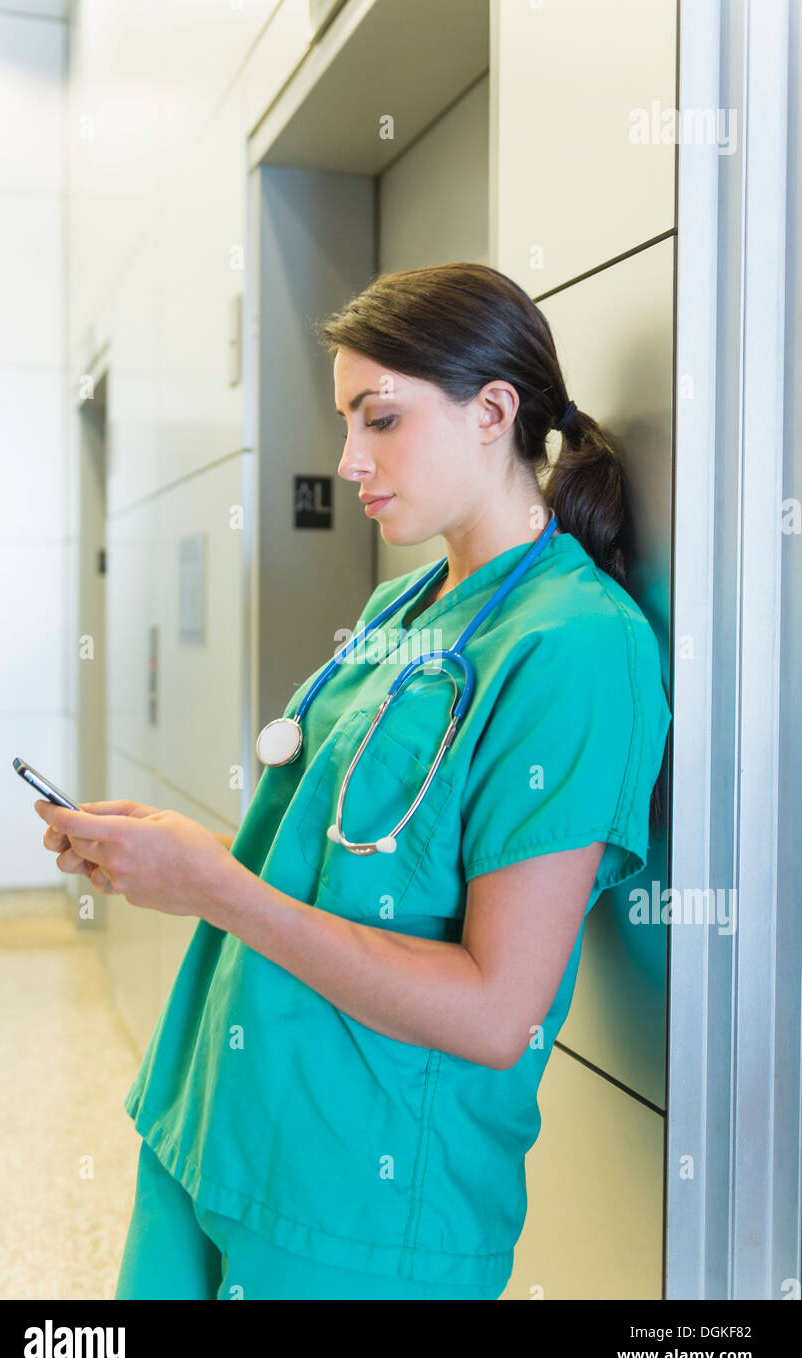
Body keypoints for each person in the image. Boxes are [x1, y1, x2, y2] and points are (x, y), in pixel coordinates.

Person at [42, 262, 671, 1300]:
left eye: (380, 419)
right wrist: (164, 848)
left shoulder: (577, 651)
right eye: (346, 422)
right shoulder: (398, 608)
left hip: (362, 1208)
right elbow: (314, 857)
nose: (348, 460)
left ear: (493, 411)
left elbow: (494, 1011)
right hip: (221, 1122)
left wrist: (215, 887)